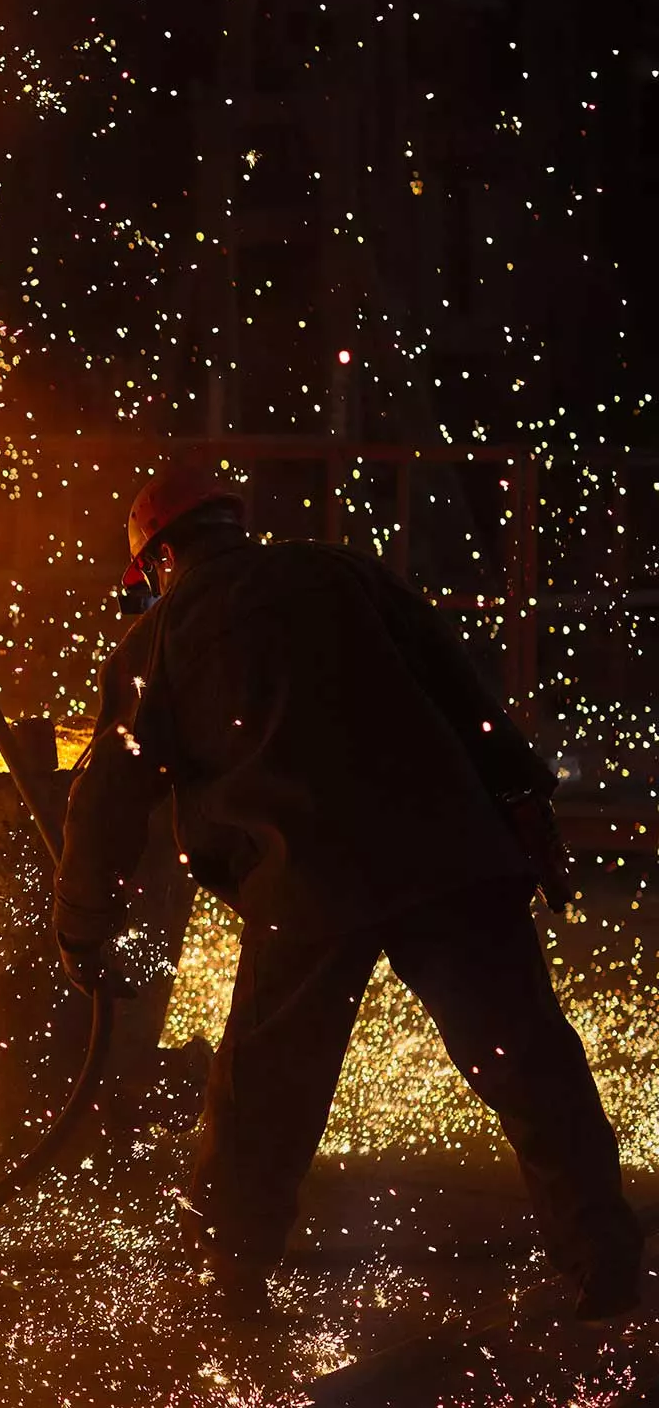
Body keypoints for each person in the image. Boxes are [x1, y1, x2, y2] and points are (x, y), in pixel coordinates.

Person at [53, 461, 644, 1320]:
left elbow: (108, 797)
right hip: (451, 853)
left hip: (306, 883)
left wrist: (83, 928)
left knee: (263, 1091)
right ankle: (606, 1262)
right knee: (529, 1064)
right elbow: (461, 691)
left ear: (157, 563)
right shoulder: (340, 572)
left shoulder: (158, 642)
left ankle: (227, 1282)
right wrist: (522, 797)